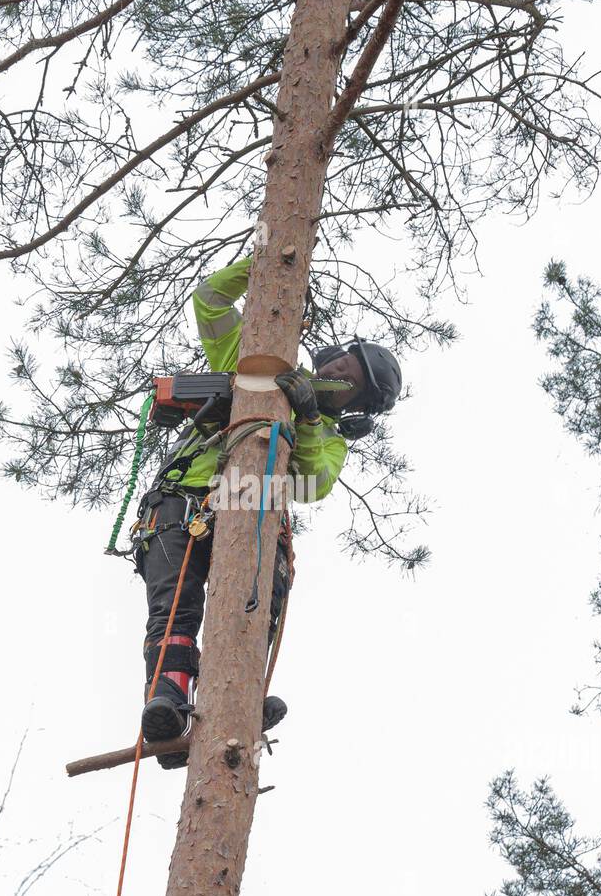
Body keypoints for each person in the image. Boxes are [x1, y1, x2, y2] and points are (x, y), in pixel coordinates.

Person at [131, 255, 402, 766]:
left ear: (357, 404)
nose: (340, 371)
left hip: (253, 512)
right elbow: (210, 299)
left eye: (353, 381)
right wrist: (267, 262)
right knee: (175, 606)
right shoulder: (257, 355)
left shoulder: (328, 436)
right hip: (185, 496)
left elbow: (312, 484)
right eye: (344, 362)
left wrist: (309, 418)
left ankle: (238, 698)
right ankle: (167, 701)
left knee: (254, 607)